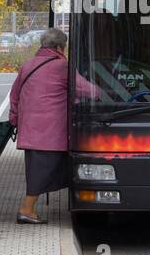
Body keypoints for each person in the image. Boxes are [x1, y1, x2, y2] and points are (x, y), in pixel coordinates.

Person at [8, 27, 95, 224]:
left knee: (38, 171)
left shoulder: (28, 65)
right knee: (44, 171)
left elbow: (14, 96)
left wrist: (15, 119)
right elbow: (87, 91)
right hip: (50, 133)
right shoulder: (61, 67)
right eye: (63, 47)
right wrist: (108, 93)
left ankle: (29, 209)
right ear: (58, 47)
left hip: (30, 131)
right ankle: (26, 210)